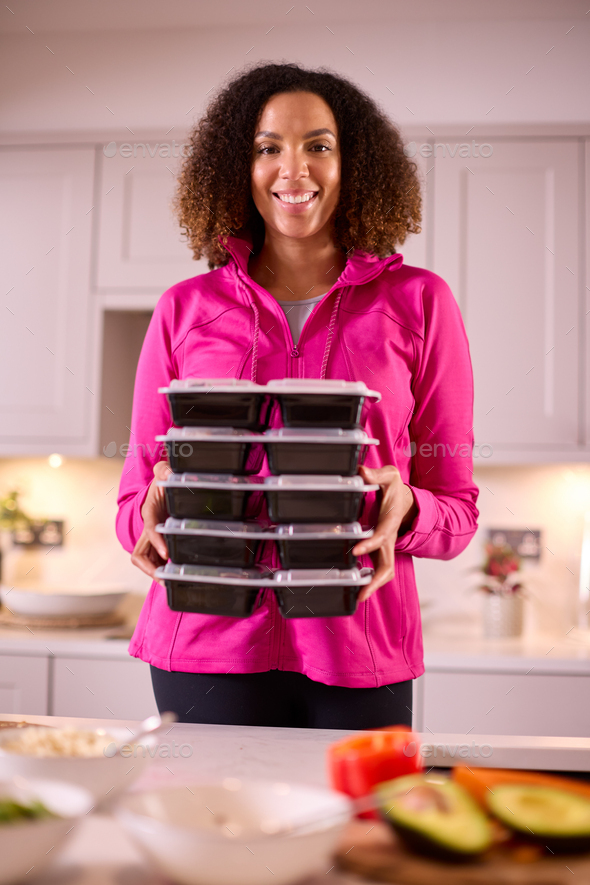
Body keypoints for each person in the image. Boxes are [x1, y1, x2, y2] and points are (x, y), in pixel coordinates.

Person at [116, 62, 478, 730]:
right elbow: (131, 499)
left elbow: (456, 510)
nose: (293, 170)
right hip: (201, 650)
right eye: (267, 147)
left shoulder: (420, 303)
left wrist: (409, 509)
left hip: (360, 648)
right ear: (237, 166)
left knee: (355, 834)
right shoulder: (183, 310)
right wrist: (149, 512)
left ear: (353, 164)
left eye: (318, 145)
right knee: (215, 832)